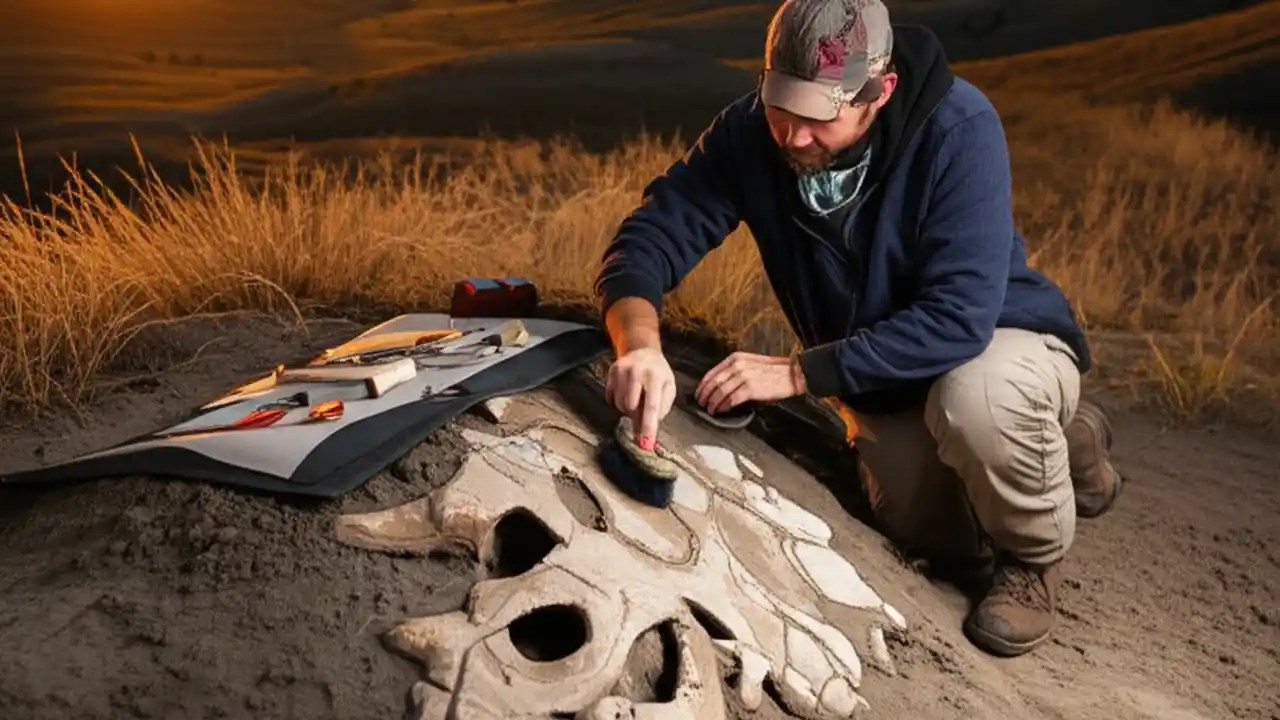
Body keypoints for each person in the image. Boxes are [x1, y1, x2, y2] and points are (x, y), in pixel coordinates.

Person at [593, 0, 1123, 657]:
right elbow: (650, 237)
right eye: (781, 107)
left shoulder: (959, 127)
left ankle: (1033, 555)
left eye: (819, 117)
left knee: (977, 406)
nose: (792, 137)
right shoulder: (753, 132)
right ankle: (1056, 451)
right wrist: (639, 345)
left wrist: (795, 373)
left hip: (996, 336)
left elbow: (958, 317)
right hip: (877, 375)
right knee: (920, 525)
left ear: (880, 92)